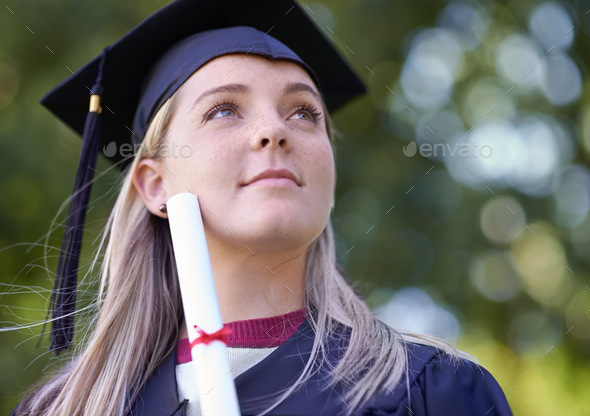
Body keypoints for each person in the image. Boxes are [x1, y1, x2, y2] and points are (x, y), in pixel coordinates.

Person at [11, 0, 513, 415]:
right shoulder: (67, 409)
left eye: (304, 112)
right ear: (154, 184)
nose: (275, 131)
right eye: (224, 109)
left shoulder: (430, 392)